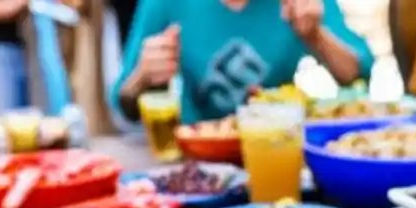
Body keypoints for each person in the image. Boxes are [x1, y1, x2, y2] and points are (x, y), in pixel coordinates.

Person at [112, 0, 374, 123]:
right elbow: (122, 100)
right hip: (200, 159)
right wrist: (143, 76)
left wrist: (316, 36)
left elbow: (359, 72)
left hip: (277, 146)